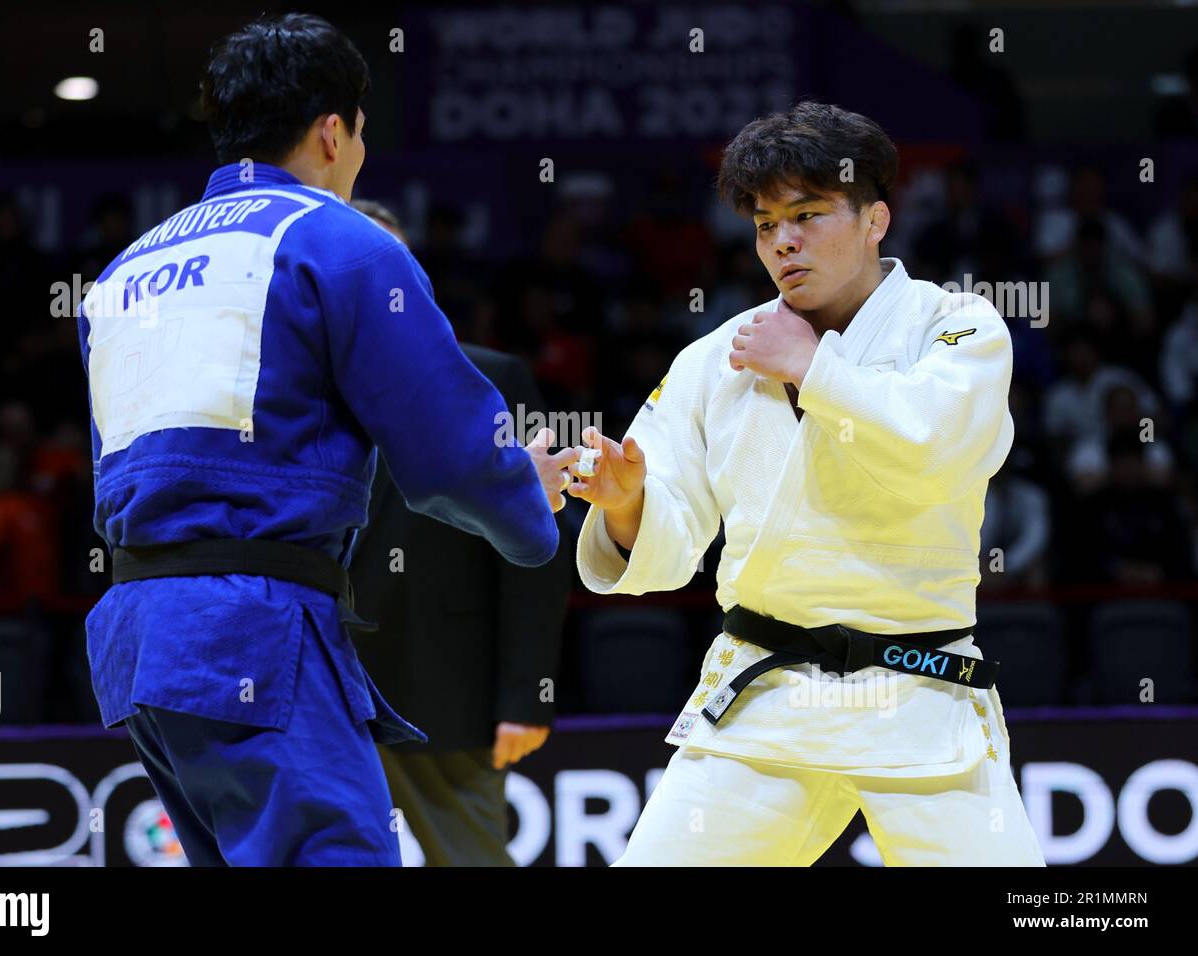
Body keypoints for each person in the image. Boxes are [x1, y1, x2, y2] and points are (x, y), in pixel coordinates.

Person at [76, 14, 575, 866]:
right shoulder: (337, 241)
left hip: (137, 640)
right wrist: (527, 494)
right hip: (256, 627)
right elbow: (449, 458)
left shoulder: (125, 271)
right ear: (334, 130)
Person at [568, 102, 1045, 866]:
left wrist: (809, 366)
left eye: (809, 214)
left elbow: (936, 449)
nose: (783, 240)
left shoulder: (958, 328)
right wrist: (626, 505)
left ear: (875, 219)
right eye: (764, 224)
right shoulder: (717, 357)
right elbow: (673, 529)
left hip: (921, 698)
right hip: (765, 703)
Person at [348, 199, 571, 866]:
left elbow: (537, 549)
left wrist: (527, 692)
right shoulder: (290, 389)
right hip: (319, 684)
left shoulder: (493, 378)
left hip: (445, 686)